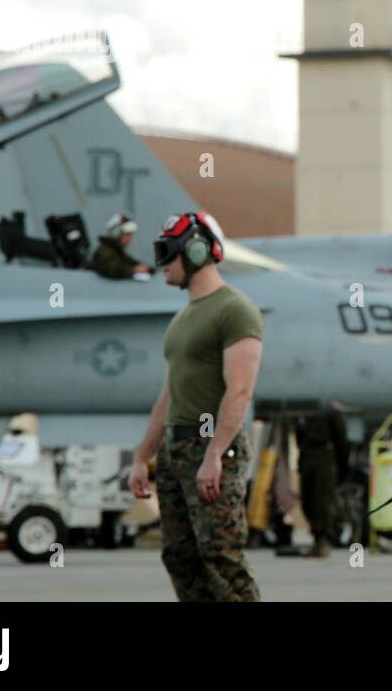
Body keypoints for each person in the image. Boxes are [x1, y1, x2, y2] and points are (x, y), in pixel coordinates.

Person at [128, 211, 263, 602]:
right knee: (180, 557)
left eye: (168, 253)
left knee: (221, 557)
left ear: (199, 251)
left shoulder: (235, 309)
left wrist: (215, 454)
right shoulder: (184, 318)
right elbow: (168, 394)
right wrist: (144, 456)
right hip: (176, 450)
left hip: (211, 449)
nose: (162, 264)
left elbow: (240, 391)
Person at [295, 409, 349, 557]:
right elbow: (298, 433)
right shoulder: (303, 407)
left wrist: (341, 463)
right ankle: (317, 536)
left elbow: (340, 435)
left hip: (324, 456)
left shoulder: (328, 405)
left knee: (323, 501)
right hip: (307, 455)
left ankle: (323, 539)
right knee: (307, 499)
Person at [90, 212, 152, 279]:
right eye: (127, 235)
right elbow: (112, 269)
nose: (130, 239)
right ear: (115, 233)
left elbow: (132, 263)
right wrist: (133, 270)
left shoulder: (117, 251)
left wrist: (148, 269)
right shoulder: (104, 251)